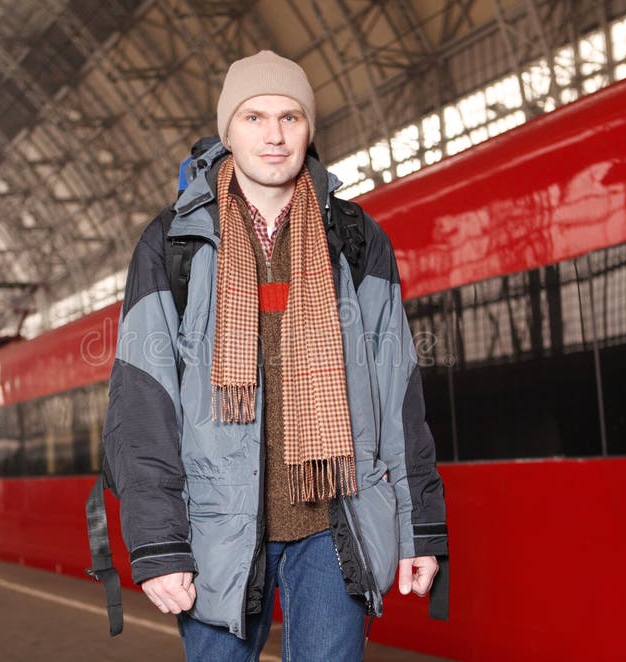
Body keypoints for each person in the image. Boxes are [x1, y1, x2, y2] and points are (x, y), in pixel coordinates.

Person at [103, 50, 448, 661]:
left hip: (333, 523)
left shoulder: (356, 239)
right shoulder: (174, 243)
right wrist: (159, 545)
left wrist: (420, 527)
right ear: (228, 129)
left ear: (309, 129)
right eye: (254, 116)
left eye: (290, 116)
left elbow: (398, 393)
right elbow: (142, 406)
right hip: (215, 528)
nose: (273, 134)